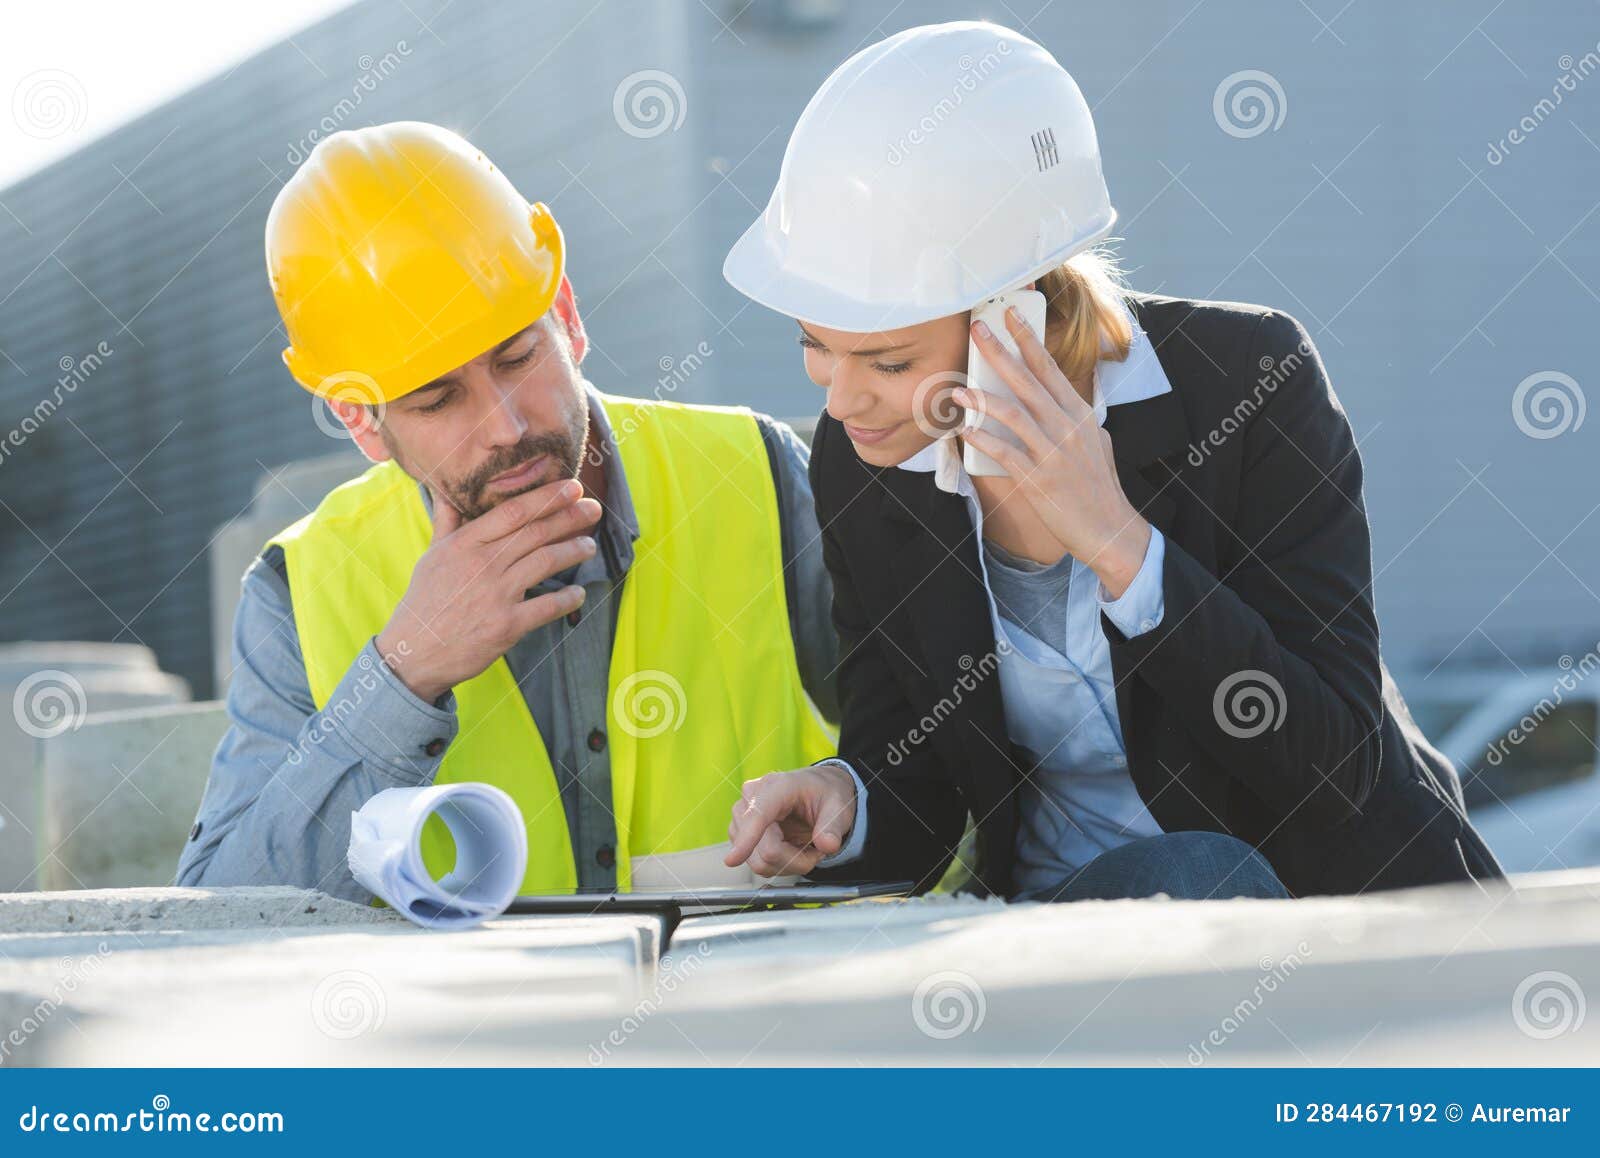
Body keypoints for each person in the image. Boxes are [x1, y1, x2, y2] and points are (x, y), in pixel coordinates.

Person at [720, 22, 1504, 901]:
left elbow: (1331, 768)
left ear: (1014, 316)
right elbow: (918, 779)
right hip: (1072, 937)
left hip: (1342, 923)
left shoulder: (1249, 383)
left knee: (1200, 873)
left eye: (889, 362)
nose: (839, 399)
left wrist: (1122, 546)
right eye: (814, 346)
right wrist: (847, 798)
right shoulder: (865, 459)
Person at [177, 121, 843, 903]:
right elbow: (223, 910)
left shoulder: (753, 474)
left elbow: (956, 756)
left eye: (516, 357)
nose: (505, 425)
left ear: (565, 311)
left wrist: (847, 794)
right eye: (436, 399)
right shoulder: (299, 591)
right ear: (360, 419)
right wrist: (405, 672)